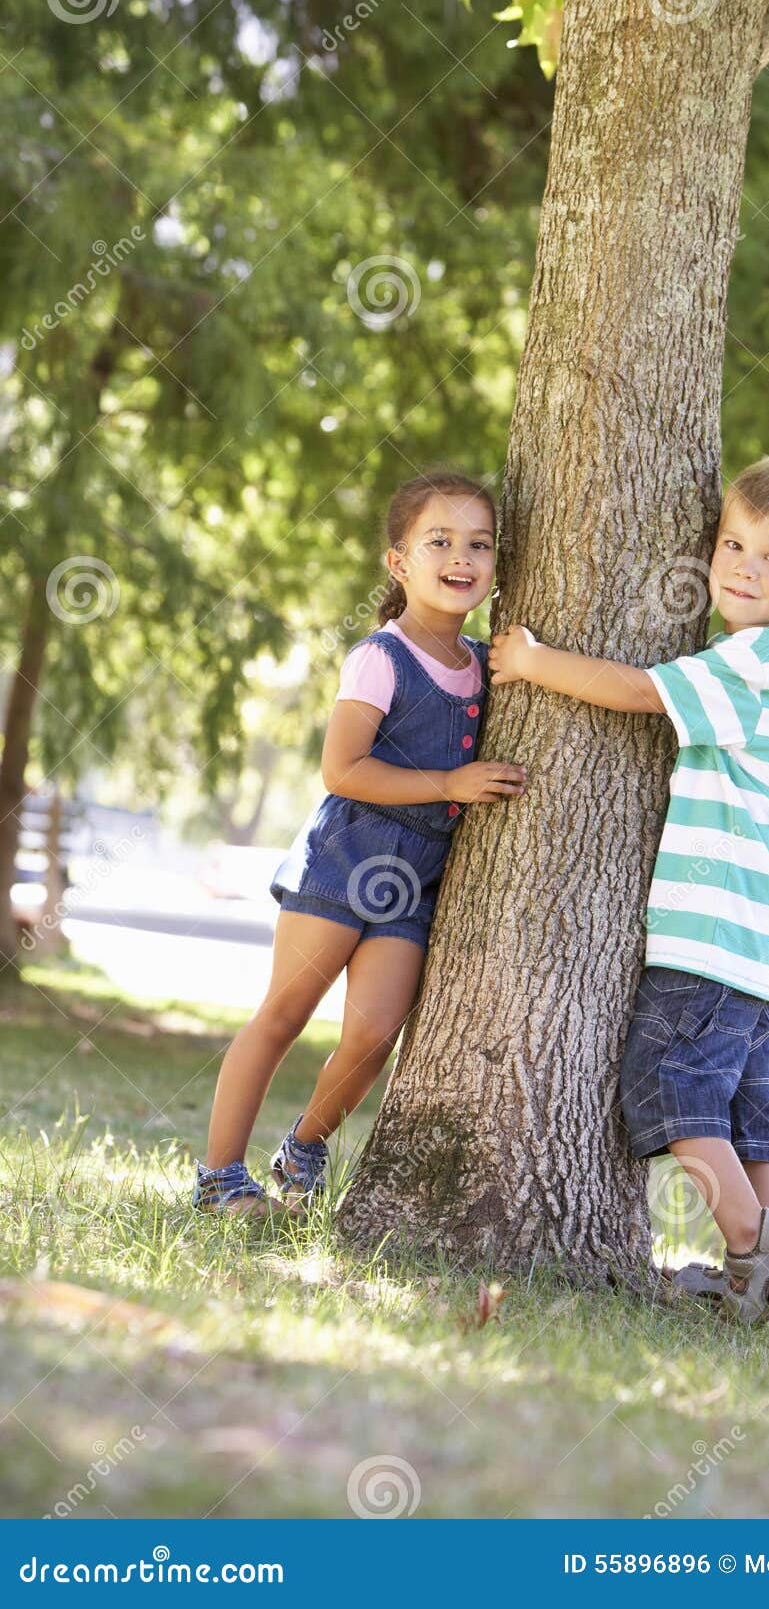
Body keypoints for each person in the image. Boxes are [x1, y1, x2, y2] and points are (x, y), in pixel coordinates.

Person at [489, 451, 769, 1323]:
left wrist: (535, 663)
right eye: (733, 545)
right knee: (744, 1100)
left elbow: (638, 690)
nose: (744, 568)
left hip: (714, 929)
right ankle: (766, 1276)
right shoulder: (765, 656)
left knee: (671, 1080)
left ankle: (748, 1245)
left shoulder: (763, 658)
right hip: (759, 935)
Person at [193, 470, 527, 1217]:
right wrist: (449, 783)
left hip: (418, 877)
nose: (461, 556)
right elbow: (343, 768)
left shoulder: (486, 662)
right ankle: (218, 1179)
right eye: (438, 540)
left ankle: (303, 1147)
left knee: (376, 1032)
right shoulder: (381, 656)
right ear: (398, 561)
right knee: (283, 1014)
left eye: (478, 543)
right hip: (348, 857)